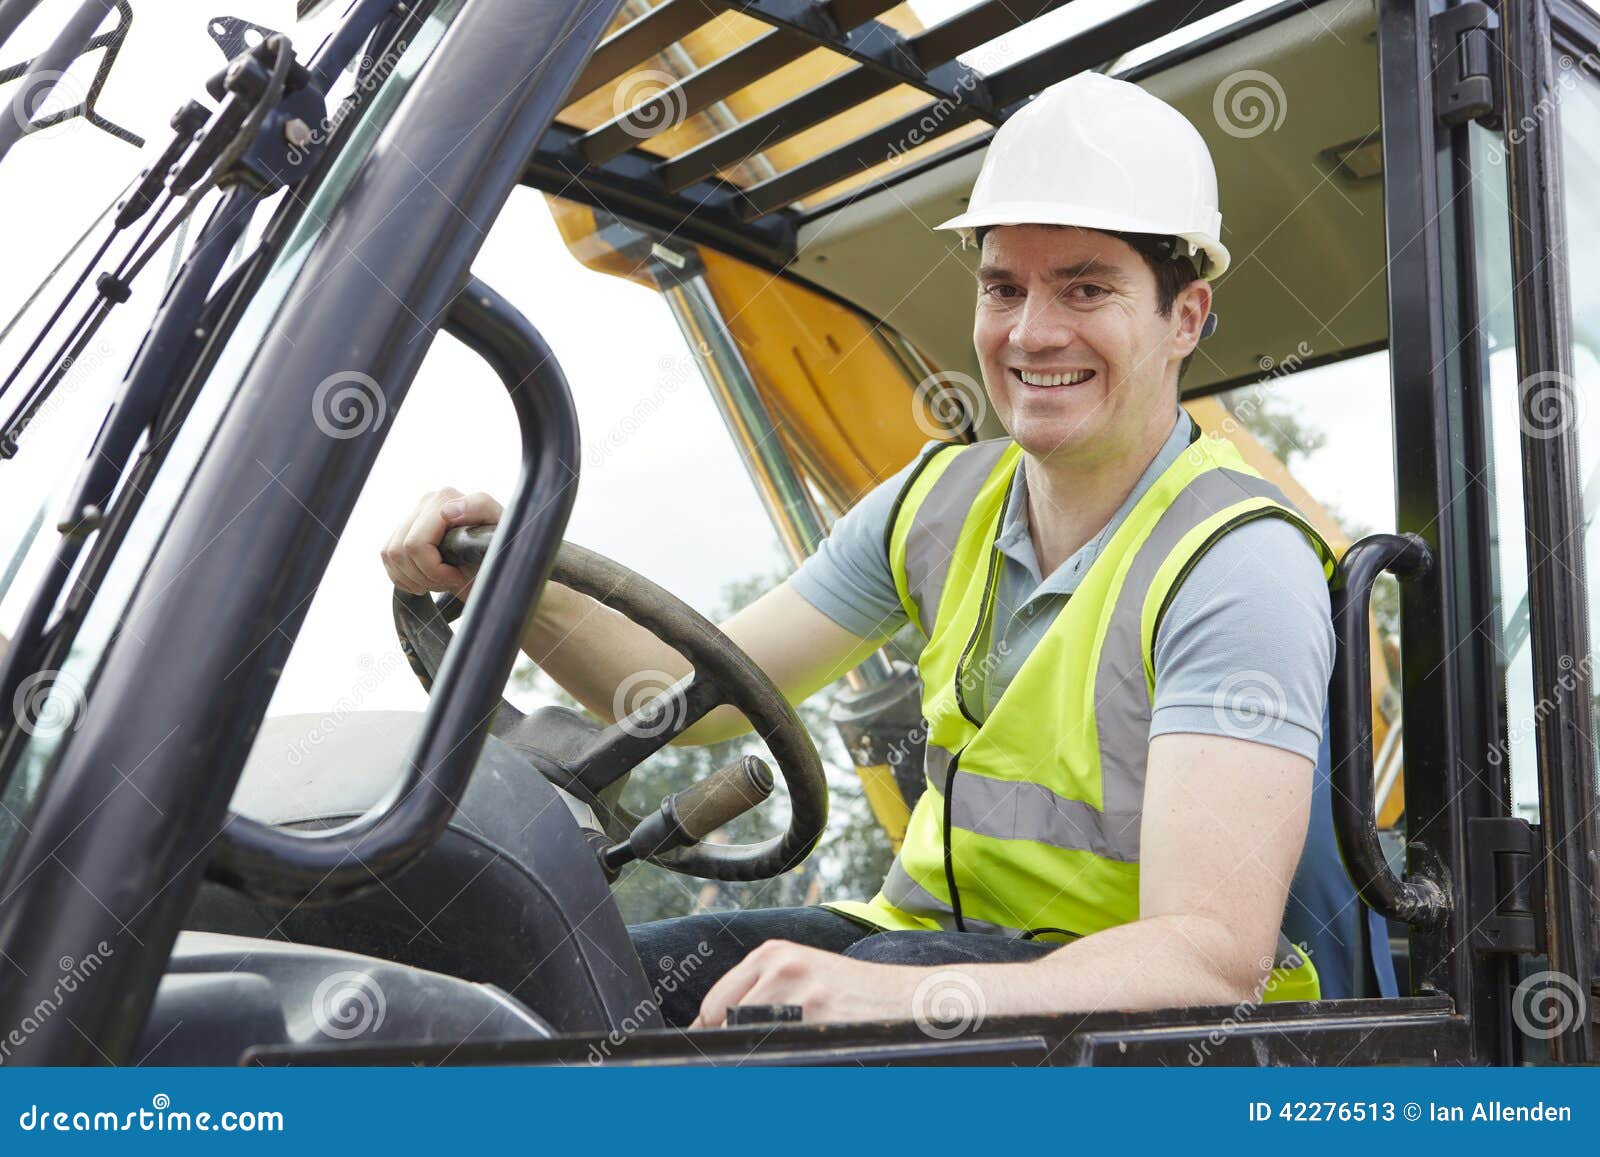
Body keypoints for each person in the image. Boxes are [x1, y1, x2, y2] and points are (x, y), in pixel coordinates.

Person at [382, 72, 1335, 1029]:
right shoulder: (937, 501)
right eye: (1004, 286)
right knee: (591, 981)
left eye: (1087, 287)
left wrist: (903, 988)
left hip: (1137, 1021)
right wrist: (520, 575)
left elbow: (1212, 956)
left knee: (807, 1014)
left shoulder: (1238, 562)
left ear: (1186, 317)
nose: (1032, 330)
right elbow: (681, 687)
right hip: (920, 935)